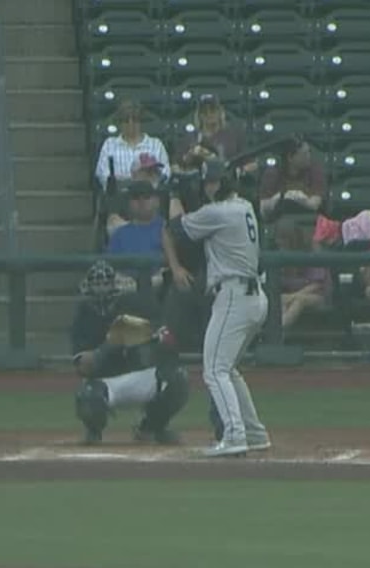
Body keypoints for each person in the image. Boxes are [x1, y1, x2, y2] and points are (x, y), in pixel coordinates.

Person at [162, 159, 272, 458]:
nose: (207, 187)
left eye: (211, 182)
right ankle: (254, 432)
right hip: (253, 296)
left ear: (221, 183)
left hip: (235, 295)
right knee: (229, 369)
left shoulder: (219, 213)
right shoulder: (244, 206)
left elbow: (174, 227)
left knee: (214, 369)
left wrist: (174, 193)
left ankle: (235, 434)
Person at [70, 261, 187, 446]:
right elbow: (83, 366)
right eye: (97, 284)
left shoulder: (131, 305)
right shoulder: (83, 316)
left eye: (105, 283)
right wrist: (109, 346)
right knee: (88, 395)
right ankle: (94, 432)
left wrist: (142, 336)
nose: (101, 289)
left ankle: (150, 428)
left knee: (177, 379)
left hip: (136, 376)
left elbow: (163, 341)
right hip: (105, 382)